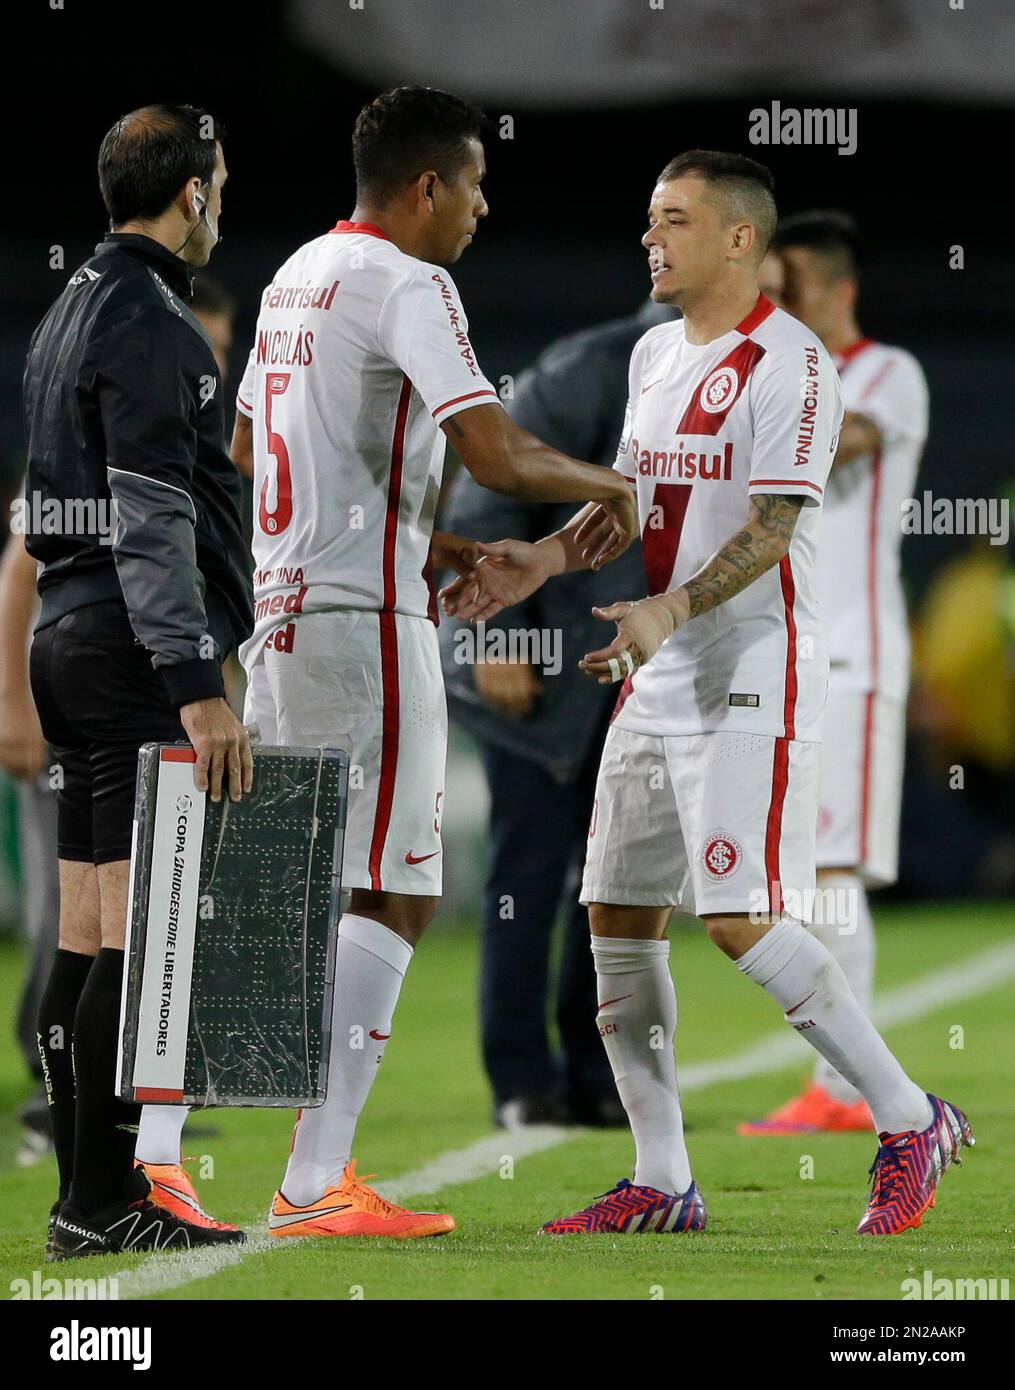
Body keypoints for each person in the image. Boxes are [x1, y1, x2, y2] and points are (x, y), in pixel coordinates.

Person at [444, 150, 972, 1238]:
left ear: (740, 240)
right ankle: (661, 1176)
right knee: (616, 918)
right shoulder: (650, 355)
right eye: (648, 219)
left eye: (673, 220)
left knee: (736, 918)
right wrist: (540, 562)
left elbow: (771, 528)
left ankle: (910, 1115)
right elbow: (633, 504)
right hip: (660, 666)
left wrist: (668, 614)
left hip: (752, 668)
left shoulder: (797, 364)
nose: (650, 238)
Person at [229, 86, 637, 1239]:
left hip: (287, 606)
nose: (481, 206)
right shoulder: (413, 283)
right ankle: (315, 1181)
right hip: (364, 621)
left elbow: (257, 449)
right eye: (472, 184)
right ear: (426, 187)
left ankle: (169, 1157)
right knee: (398, 885)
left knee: (292, 885)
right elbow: (491, 444)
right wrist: (609, 482)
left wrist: (435, 541)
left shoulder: (294, 275)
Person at [24, 104, 253, 1259]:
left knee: (82, 929)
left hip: (69, 638)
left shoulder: (67, 310)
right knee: (140, 937)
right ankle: (104, 1195)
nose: (224, 203)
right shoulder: (159, 321)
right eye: (222, 184)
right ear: (194, 192)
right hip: (130, 648)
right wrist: (195, 679)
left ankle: (85, 1197)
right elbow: (154, 514)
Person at [440, 299, 675, 1129]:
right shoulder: (591, 364)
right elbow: (484, 490)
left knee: (617, 880)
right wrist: (497, 634)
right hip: (542, 673)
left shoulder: (734, 375)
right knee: (529, 875)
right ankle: (520, 1081)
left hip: (635, 671)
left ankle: (592, 1070)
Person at [739, 212, 930, 1136]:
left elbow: (839, 440)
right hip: (792, 657)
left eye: (795, 292)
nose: (779, 308)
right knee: (804, 873)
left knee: (833, 870)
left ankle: (851, 1093)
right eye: (768, 292)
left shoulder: (886, 372)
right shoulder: (776, 378)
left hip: (852, 656)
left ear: (841, 292)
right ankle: (844, 1086)